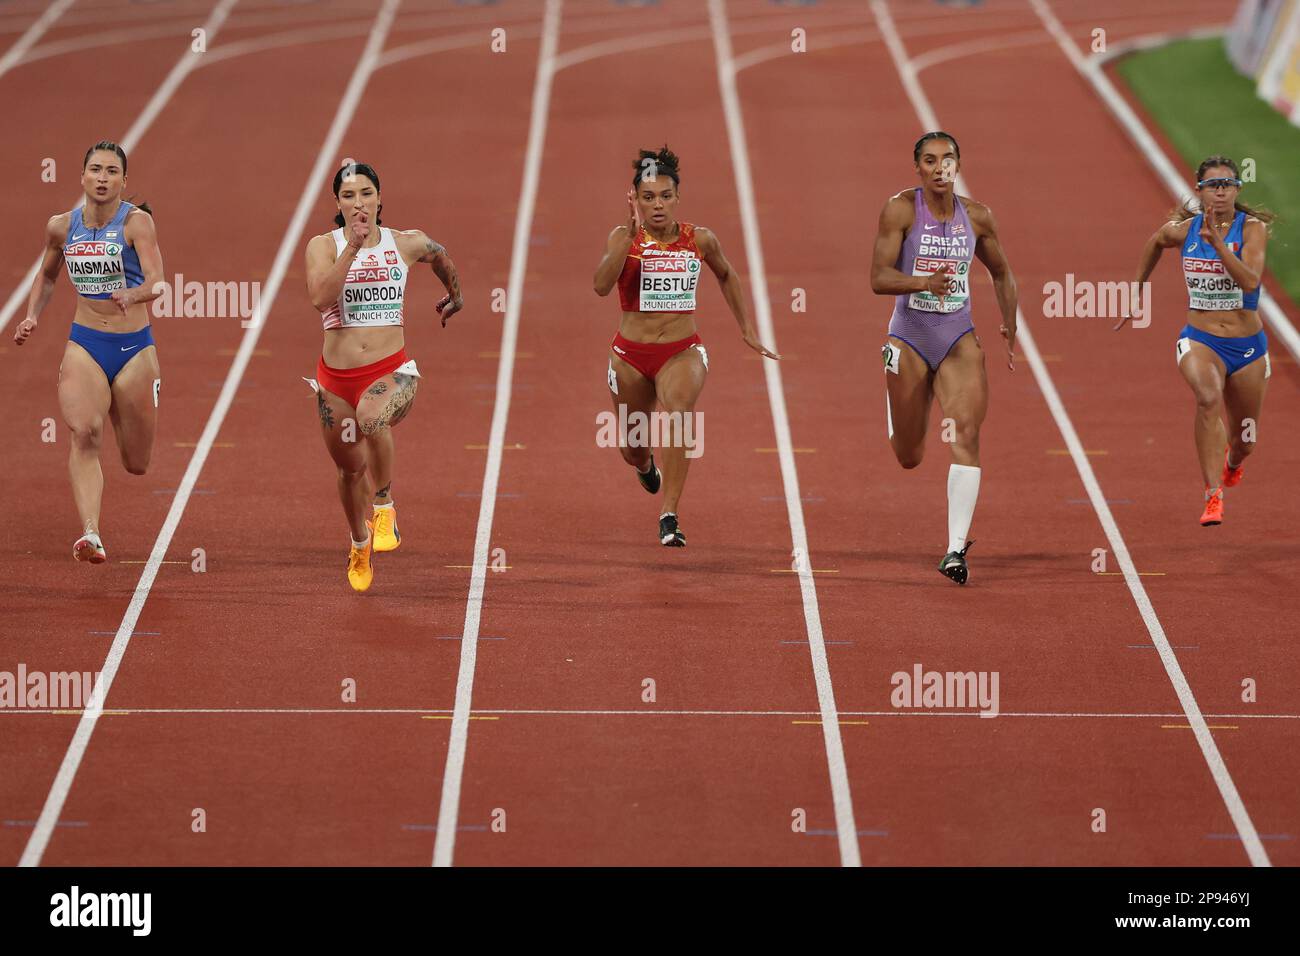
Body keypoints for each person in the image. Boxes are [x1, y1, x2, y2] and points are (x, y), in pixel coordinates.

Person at [593, 145, 778, 547]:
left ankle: (669, 513)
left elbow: (728, 276)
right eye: (647, 198)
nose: (657, 205)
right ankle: (645, 467)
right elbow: (601, 286)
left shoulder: (701, 239)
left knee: (679, 409)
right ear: (635, 201)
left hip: (682, 351)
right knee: (632, 448)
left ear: (677, 197)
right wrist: (625, 239)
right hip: (629, 357)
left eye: (664, 196)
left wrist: (746, 328)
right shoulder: (625, 238)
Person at [304, 161, 463, 591]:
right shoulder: (323, 246)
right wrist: (352, 248)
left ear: (380, 198)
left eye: (366, 193)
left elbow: (439, 253)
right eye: (349, 196)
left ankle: (385, 505)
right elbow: (320, 298)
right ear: (338, 203)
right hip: (335, 381)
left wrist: (455, 294)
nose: (359, 203)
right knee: (348, 471)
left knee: (373, 417)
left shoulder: (404, 243)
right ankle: (359, 543)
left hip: (392, 372)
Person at [869, 131, 1018, 584]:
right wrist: (922, 284)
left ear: (958, 165)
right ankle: (899, 412)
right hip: (909, 336)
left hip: (957, 337)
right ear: (918, 168)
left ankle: (955, 549)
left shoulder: (978, 217)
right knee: (909, 455)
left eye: (947, 159)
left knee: (967, 433)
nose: (939, 167)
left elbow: (1002, 273)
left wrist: (1010, 327)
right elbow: (878, 278)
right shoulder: (900, 210)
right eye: (930, 160)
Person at [13, 140, 165, 563]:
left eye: (111, 171)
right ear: (81, 176)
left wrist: (132, 296)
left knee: (137, 463)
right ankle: (91, 534)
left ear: (123, 181)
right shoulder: (62, 227)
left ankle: (121, 404)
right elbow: (45, 276)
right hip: (86, 343)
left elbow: (158, 281)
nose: (102, 178)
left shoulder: (137, 224)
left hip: (134, 349)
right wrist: (32, 317)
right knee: (83, 431)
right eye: (95, 170)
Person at [1119, 156, 1271, 526]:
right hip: (1200, 339)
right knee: (1207, 397)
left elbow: (1250, 281)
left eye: (1227, 184)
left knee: (1246, 440)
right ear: (1199, 191)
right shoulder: (1182, 231)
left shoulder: (1251, 230)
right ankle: (1212, 495)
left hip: (1248, 347)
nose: (1220, 191)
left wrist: (1220, 246)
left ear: (1237, 189)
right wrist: (1136, 289)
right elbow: (1155, 241)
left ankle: (1232, 463)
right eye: (1212, 185)